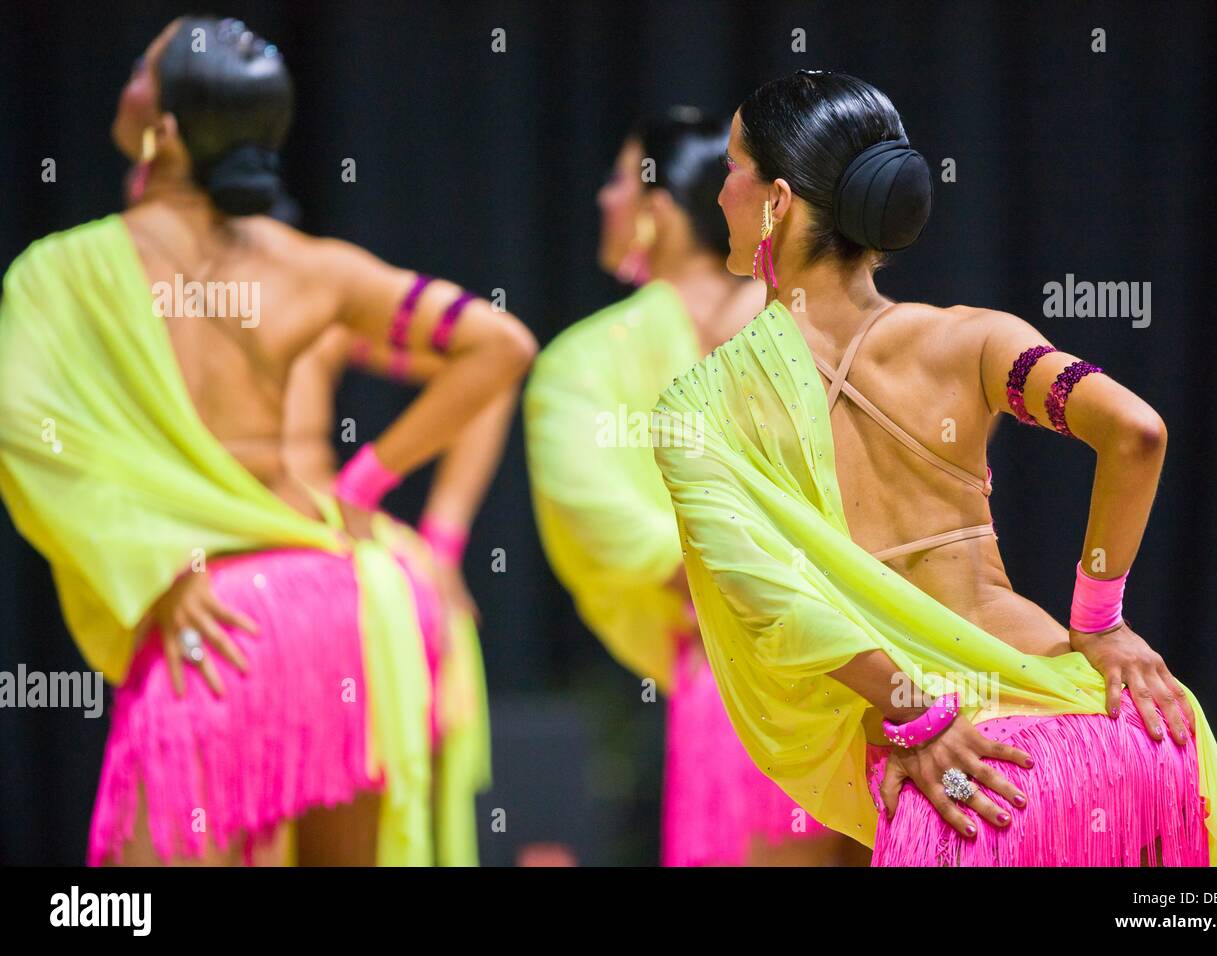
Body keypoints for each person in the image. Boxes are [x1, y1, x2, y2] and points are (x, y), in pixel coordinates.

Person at [652, 71, 1217, 865]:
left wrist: (914, 715)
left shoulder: (700, 409)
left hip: (966, 781)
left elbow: (773, 603)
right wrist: (1100, 622)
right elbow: (1136, 431)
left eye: (730, 167)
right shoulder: (975, 339)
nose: (717, 192)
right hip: (1115, 733)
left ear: (778, 201)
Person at [0, 16, 535, 865]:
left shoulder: (57, 272)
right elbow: (502, 343)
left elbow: (31, 438)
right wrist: (364, 485)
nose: (129, 79)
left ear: (166, 131)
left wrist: (161, 567)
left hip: (213, 614)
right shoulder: (313, 266)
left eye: (142, 67)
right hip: (340, 605)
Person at [526, 108, 860, 865]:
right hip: (876, 652)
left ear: (659, 212)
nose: (602, 199)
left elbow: (599, 520)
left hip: (736, 669)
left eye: (619, 179)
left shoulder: (582, 360)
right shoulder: (833, 328)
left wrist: (732, 580)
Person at [281, 325, 511, 866]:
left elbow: (495, 363)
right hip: (255, 570)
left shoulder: (317, 301)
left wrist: (443, 542)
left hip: (350, 578)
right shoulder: (141, 300)